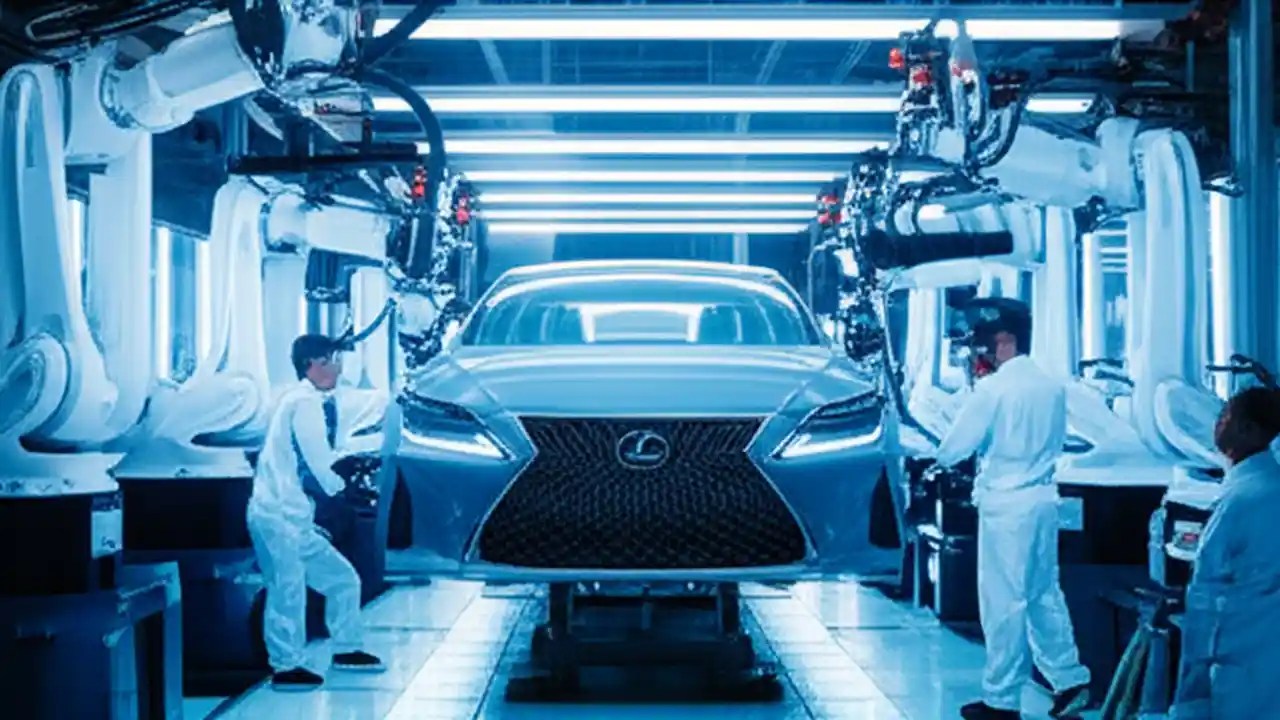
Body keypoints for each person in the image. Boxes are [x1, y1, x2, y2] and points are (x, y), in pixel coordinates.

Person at [932, 300, 1091, 719]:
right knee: (1043, 595)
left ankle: (1001, 701)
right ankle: (1070, 679)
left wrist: (943, 448)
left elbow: (953, 449)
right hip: (1042, 502)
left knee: (1004, 604)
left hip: (1006, 507)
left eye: (985, 343)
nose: (980, 353)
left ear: (1006, 339)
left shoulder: (994, 389)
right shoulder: (1051, 386)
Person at [247, 333, 385, 690]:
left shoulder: (306, 400)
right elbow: (320, 463)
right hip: (276, 516)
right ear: (311, 366)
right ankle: (286, 665)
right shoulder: (302, 404)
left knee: (342, 579)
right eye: (330, 362)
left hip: (296, 518)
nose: (338, 369)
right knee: (286, 588)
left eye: (337, 360)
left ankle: (347, 647)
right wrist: (348, 486)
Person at [1170, 386, 1280, 719]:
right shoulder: (1266, 487)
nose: (1217, 423)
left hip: (1234, 657)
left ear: (1250, 430)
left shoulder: (1241, 501)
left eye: (1226, 416)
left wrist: (1194, 676)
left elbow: (1207, 592)